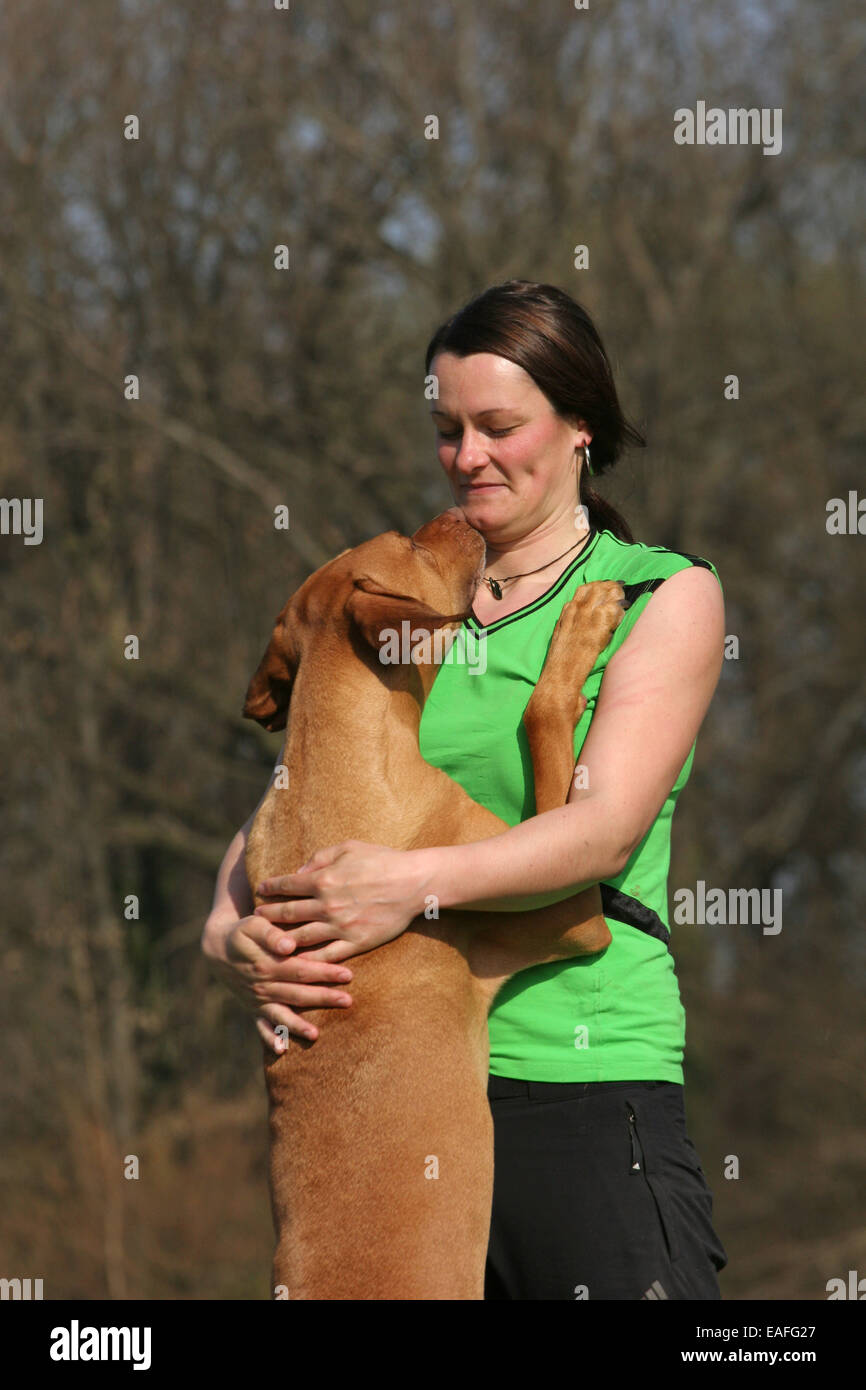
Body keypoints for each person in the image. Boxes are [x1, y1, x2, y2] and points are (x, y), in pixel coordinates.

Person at [201, 279, 728, 1300]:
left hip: (577, 1079)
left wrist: (410, 884)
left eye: (498, 426)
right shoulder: (400, 603)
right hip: (394, 1106)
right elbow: (284, 815)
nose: (467, 457)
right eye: (447, 429)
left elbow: (600, 833)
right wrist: (233, 942)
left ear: (578, 425)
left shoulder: (661, 594)